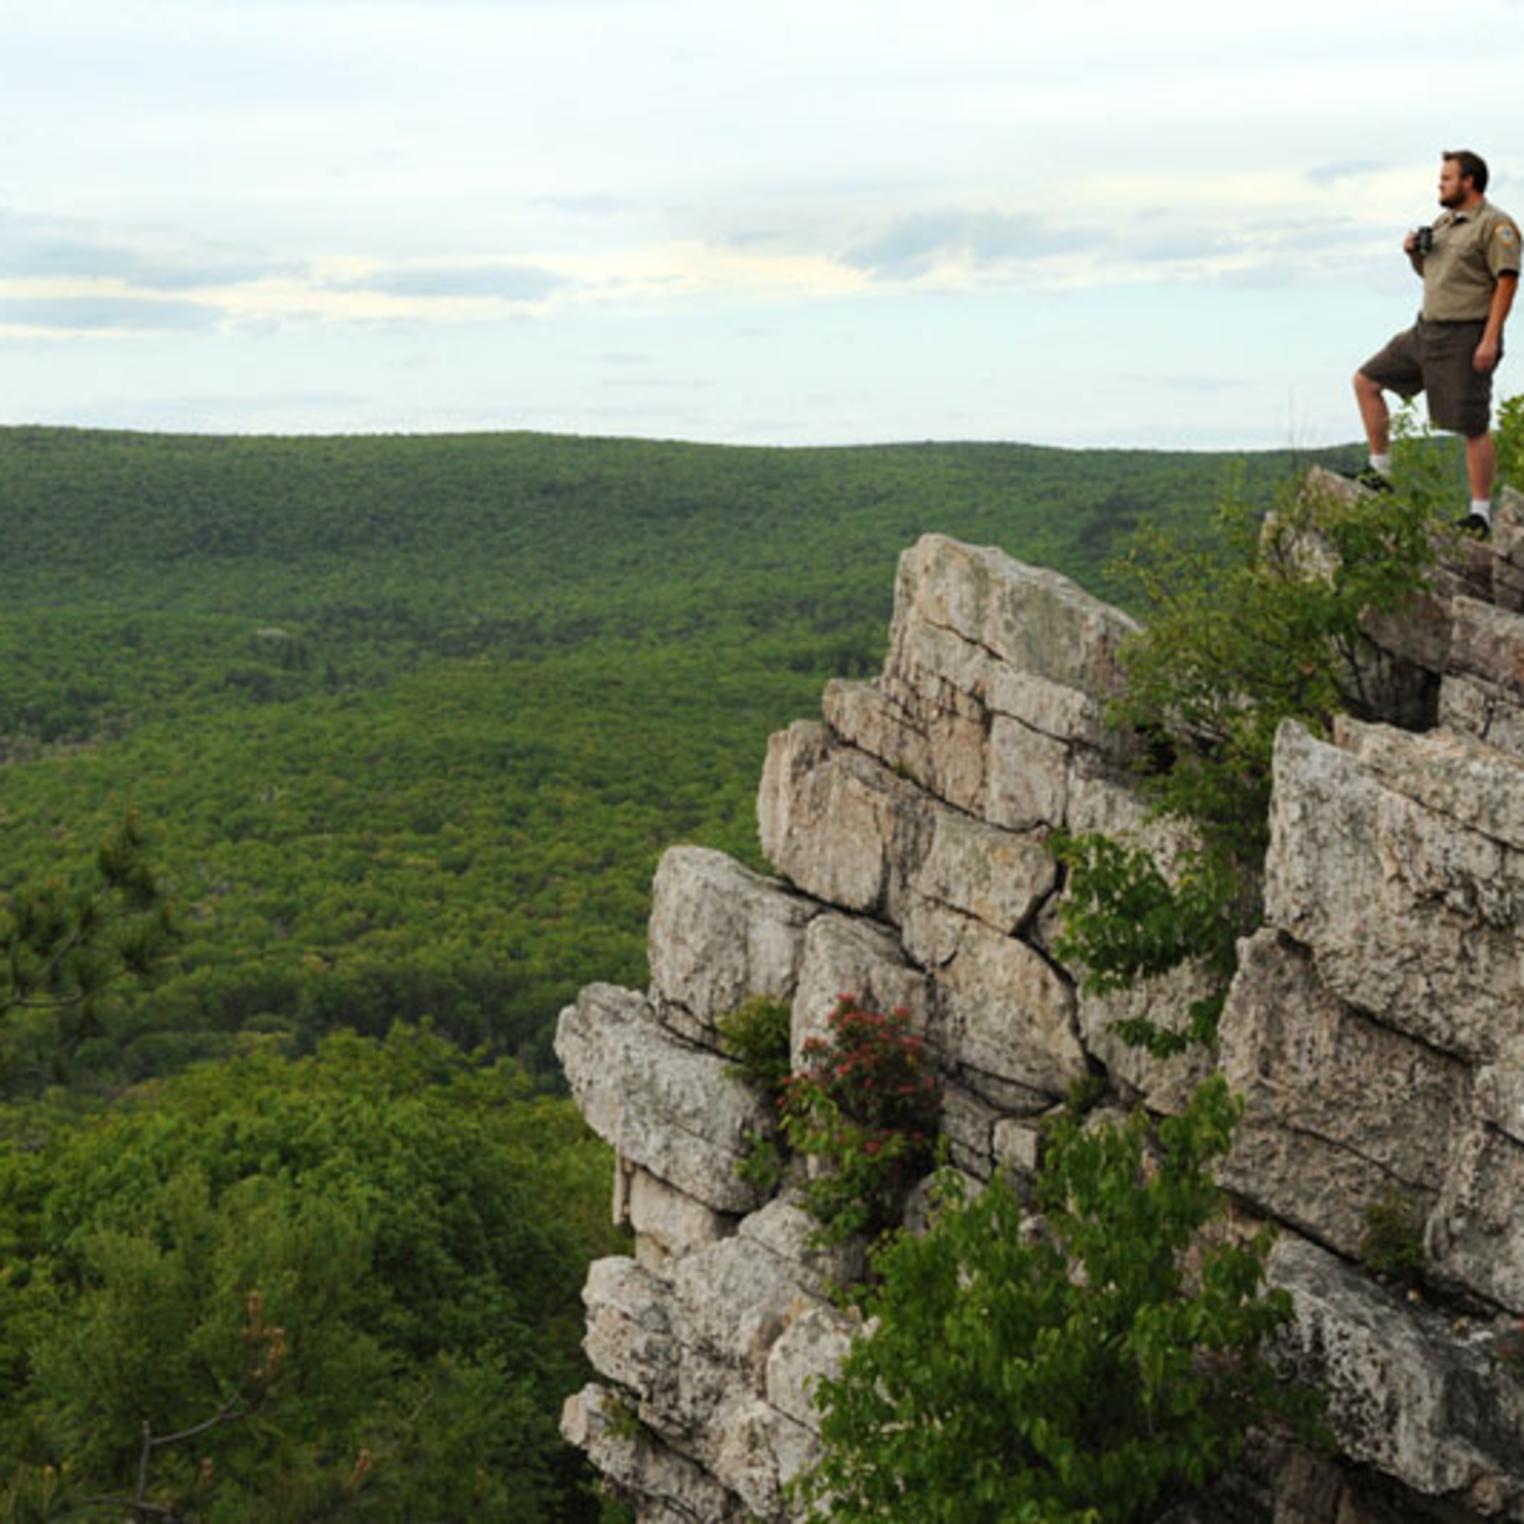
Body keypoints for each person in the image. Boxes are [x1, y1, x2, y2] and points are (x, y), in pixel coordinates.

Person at [1351, 149, 1520, 537]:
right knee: (1366, 381)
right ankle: (1380, 473)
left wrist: (1490, 339)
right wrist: (1414, 254)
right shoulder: (1444, 223)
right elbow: (1430, 275)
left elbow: (1507, 281)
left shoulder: (1495, 225)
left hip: (1467, 334)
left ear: (1469, 182)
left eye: (1446, 178)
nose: (1439, 184)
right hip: (1425, 330)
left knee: (1472, 424)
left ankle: (1479, 515)